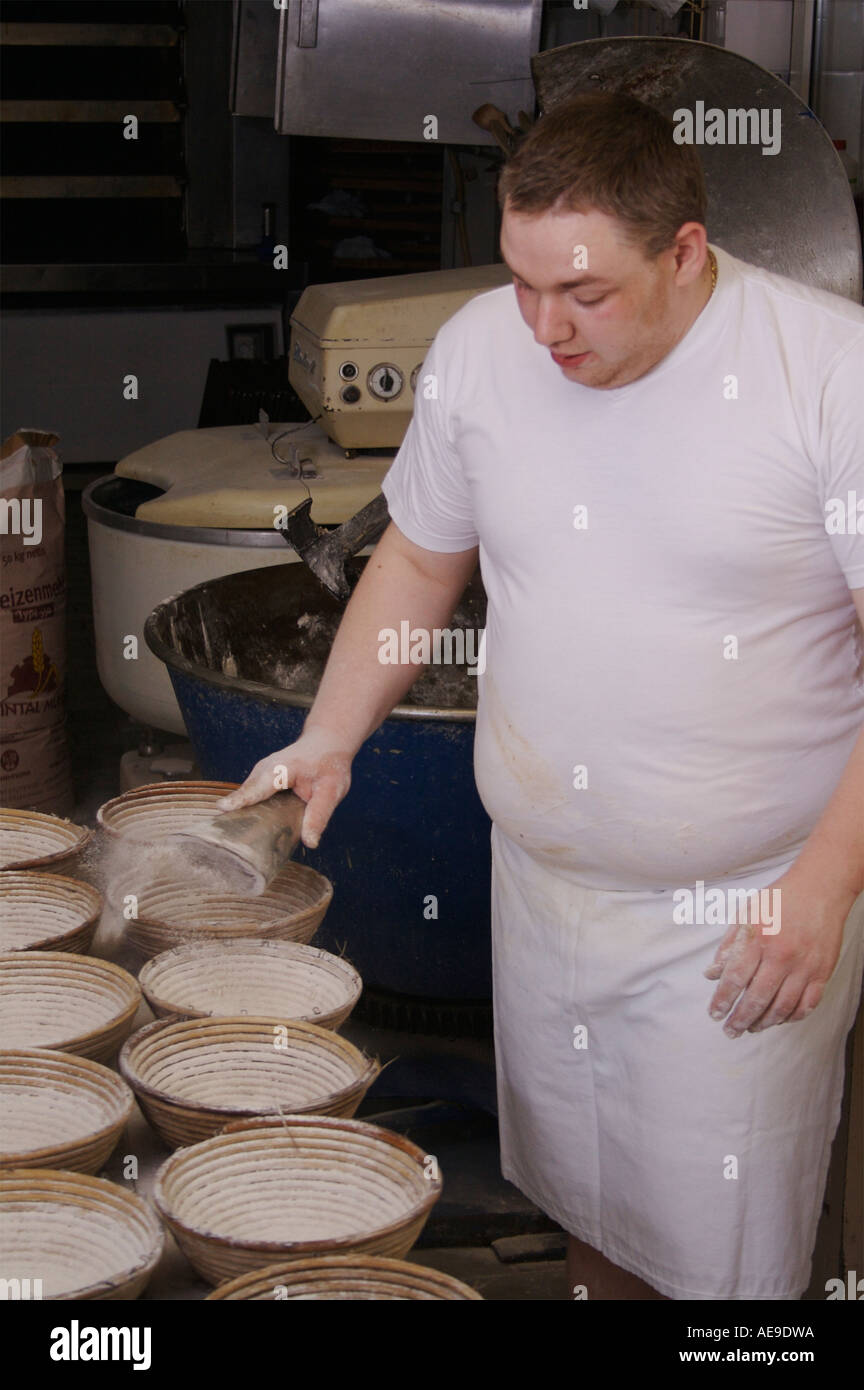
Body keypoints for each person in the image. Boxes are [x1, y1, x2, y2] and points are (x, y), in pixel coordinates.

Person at [219, 92, 864, 1300]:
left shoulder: (827, 374)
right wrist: (331, 733)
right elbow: (419, 552)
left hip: (743, 918)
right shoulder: (480, 348)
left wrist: (827, 880)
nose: (545, 326)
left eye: (584, 293)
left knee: (724, 1272)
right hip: (546, 891)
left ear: (685, 252)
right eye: (522, 282)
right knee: (588, 1213)